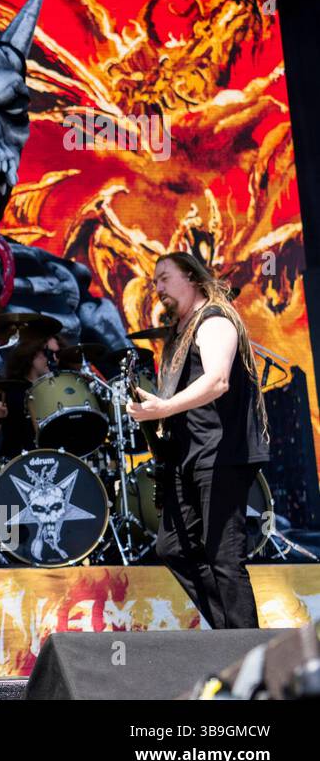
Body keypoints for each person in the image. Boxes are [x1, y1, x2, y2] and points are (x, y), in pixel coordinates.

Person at [126, 252, 270, 629]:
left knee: (224, 557)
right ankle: (230, 633)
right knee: (172, 547)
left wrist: (165, 407)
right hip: (186, 457)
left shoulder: (214, 320)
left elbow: (218, 380)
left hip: (220, 455)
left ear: (191, 277)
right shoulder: (179, 332)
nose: (157, 288)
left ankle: (247, 650)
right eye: (154, 282)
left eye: (164, 278)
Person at [0, 335, 61, 459]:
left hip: (56, 460)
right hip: (17, 464)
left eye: (57, 354)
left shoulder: (60, 388)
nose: (54, 358)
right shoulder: (9, 389)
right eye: (49, 353)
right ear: (32, 354)